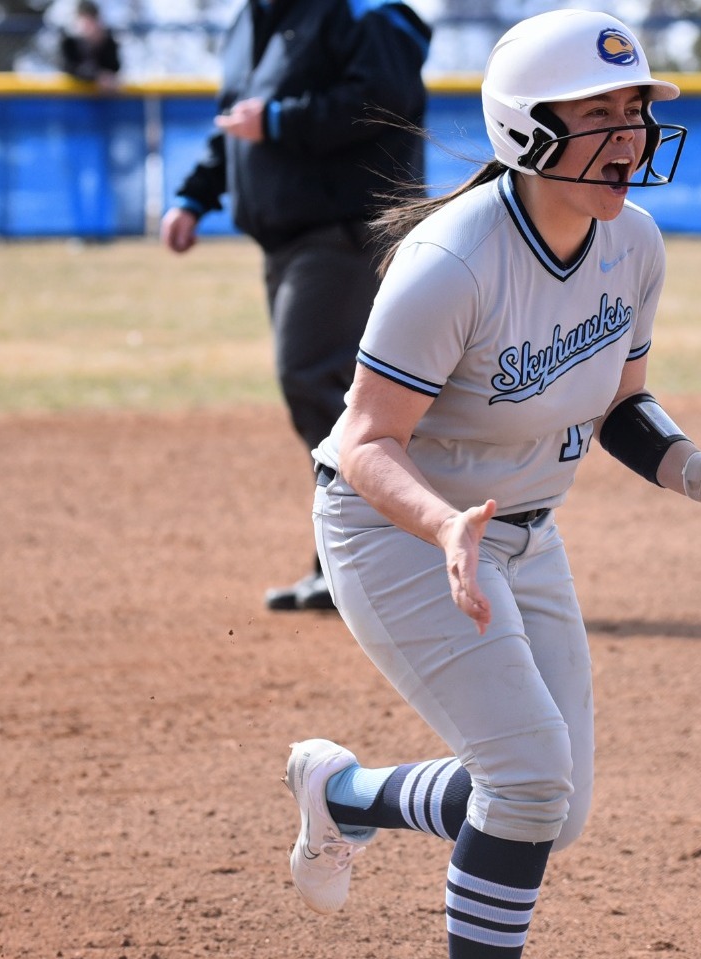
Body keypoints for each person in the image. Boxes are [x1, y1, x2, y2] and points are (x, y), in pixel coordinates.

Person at [276, 10, 701, 959]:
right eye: (599, 114)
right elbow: (361, 441)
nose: (629, 135)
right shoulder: (451, 261)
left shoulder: (633, 246)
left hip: (522, 531)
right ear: (528, 130)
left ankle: (341, 794)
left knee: (550, 805)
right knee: (527, 781)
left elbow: (620, 401)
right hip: (398, 534)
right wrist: (441, 529)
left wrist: (690, 472)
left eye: (635, 112)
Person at [162, 0, 431, 612]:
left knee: (319, 380)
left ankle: (374, 557)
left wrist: (283, 121)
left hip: (346, 233)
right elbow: (236, 121)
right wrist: (193, 196)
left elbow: (386, 99)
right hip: (287, 238)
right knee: (337, 392)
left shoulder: (363, 12)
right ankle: (359, 557)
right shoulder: (252, 19)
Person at [57, 0, 121, 89]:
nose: (87, 25)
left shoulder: (107, 41)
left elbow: (114, 67)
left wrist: (98, 45)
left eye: (91, 19)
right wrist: (96, 75)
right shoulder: (69, 42)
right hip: (70, 96)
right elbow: (68, 68)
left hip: (101, 98)